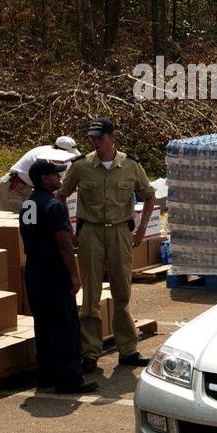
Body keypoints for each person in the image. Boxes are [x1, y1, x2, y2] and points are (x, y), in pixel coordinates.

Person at [57, 118, 155, 373]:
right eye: (92, 138)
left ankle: (127, 349)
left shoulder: (130, 166)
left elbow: (149, 195)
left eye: (99, 138)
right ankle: (90, 353)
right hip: (90, 233)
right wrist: (68, 227)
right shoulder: (81, 166)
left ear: (112, 137)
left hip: (120, 232)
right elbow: (61, 194)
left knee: (122, 292)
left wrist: (142, 227)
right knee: (90, 294)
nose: (95, 142)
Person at [18, 160, 97, 394]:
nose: (59, 178)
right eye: (55, 174)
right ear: (44, 177)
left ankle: (46, 375)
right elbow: (64, 244)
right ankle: (69, 379)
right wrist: (74, 275)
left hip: (33, 270)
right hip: (53, 270)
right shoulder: (54, 205)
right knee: (65, 325)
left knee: (42, 324)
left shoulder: (27, 204)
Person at [0, 136, 80, 213]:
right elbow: (55, 184)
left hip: (27, 188)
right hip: (13, 188)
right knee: (15, 223)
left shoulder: (53, 153)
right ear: (62, 151)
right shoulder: (47, 156)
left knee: (32, 222)